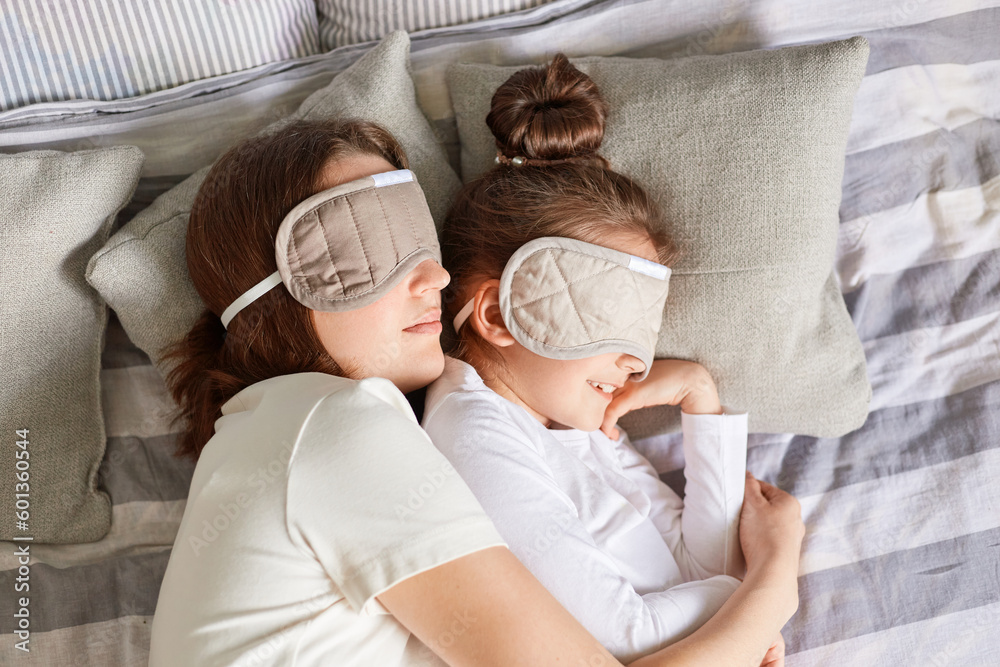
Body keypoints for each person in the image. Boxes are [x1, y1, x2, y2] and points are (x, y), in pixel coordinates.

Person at [148, 116, 804, 667]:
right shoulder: (331, 426)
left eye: (419, 237)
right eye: (372, 245)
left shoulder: (285, 433)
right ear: (273, 290)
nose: (433, 274)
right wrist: (773, 581)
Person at [422, 55, 801, 666]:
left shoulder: (573, 421)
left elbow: (709, 565)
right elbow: (624, 639)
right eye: (606, 320)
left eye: (643, 327)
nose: (635, 358)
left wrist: (701, 402)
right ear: (496, 316)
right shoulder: (472, 432)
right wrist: (768, 584)